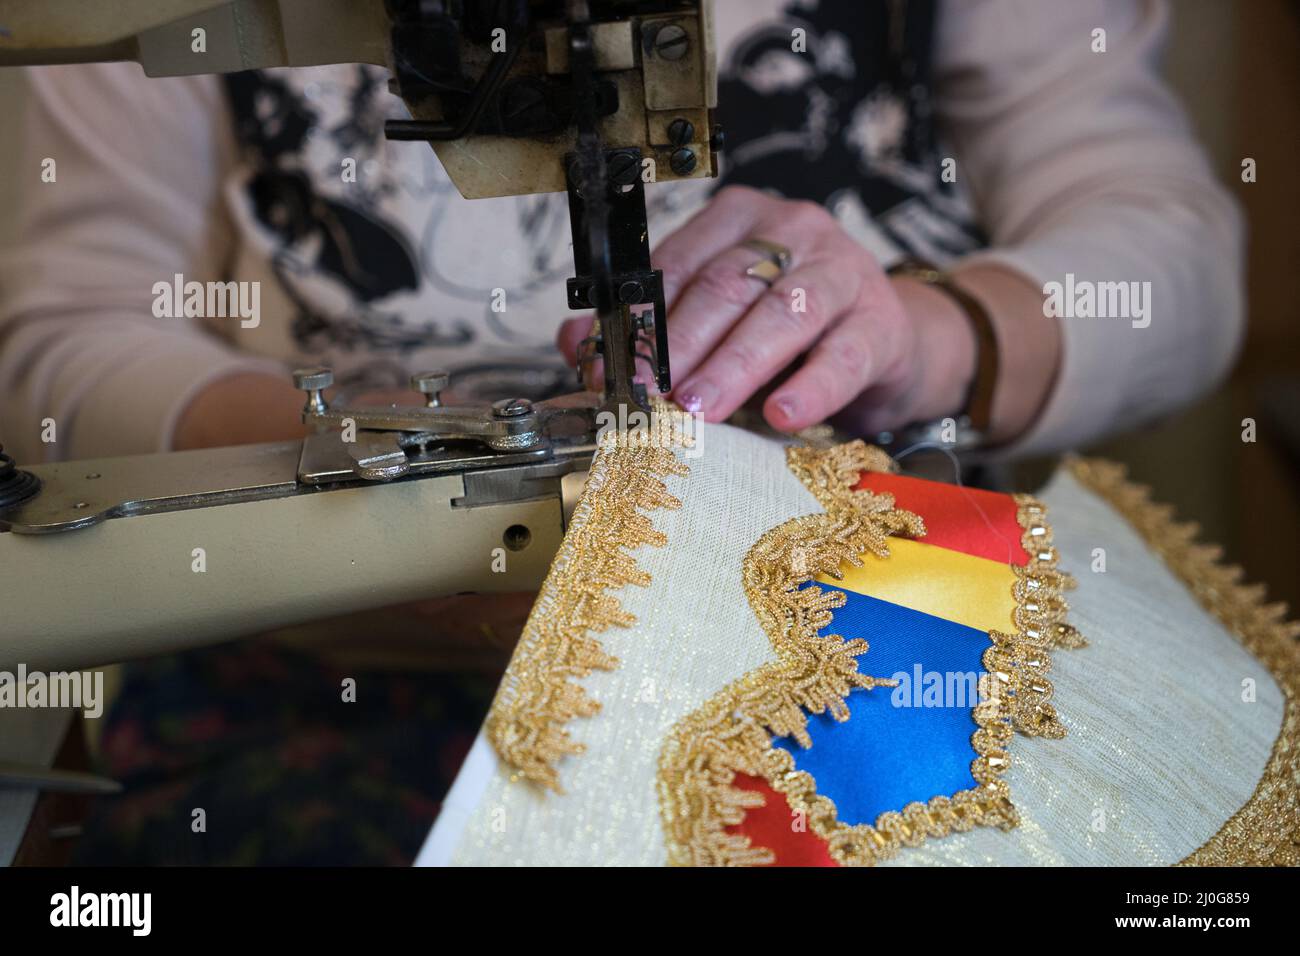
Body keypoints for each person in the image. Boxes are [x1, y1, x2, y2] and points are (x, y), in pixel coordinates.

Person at [0, 0, 1243, 864]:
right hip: (340, 679)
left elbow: (1168, 252)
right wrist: (355, 465)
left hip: (870, 657)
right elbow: (62, 336)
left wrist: (926, 337)